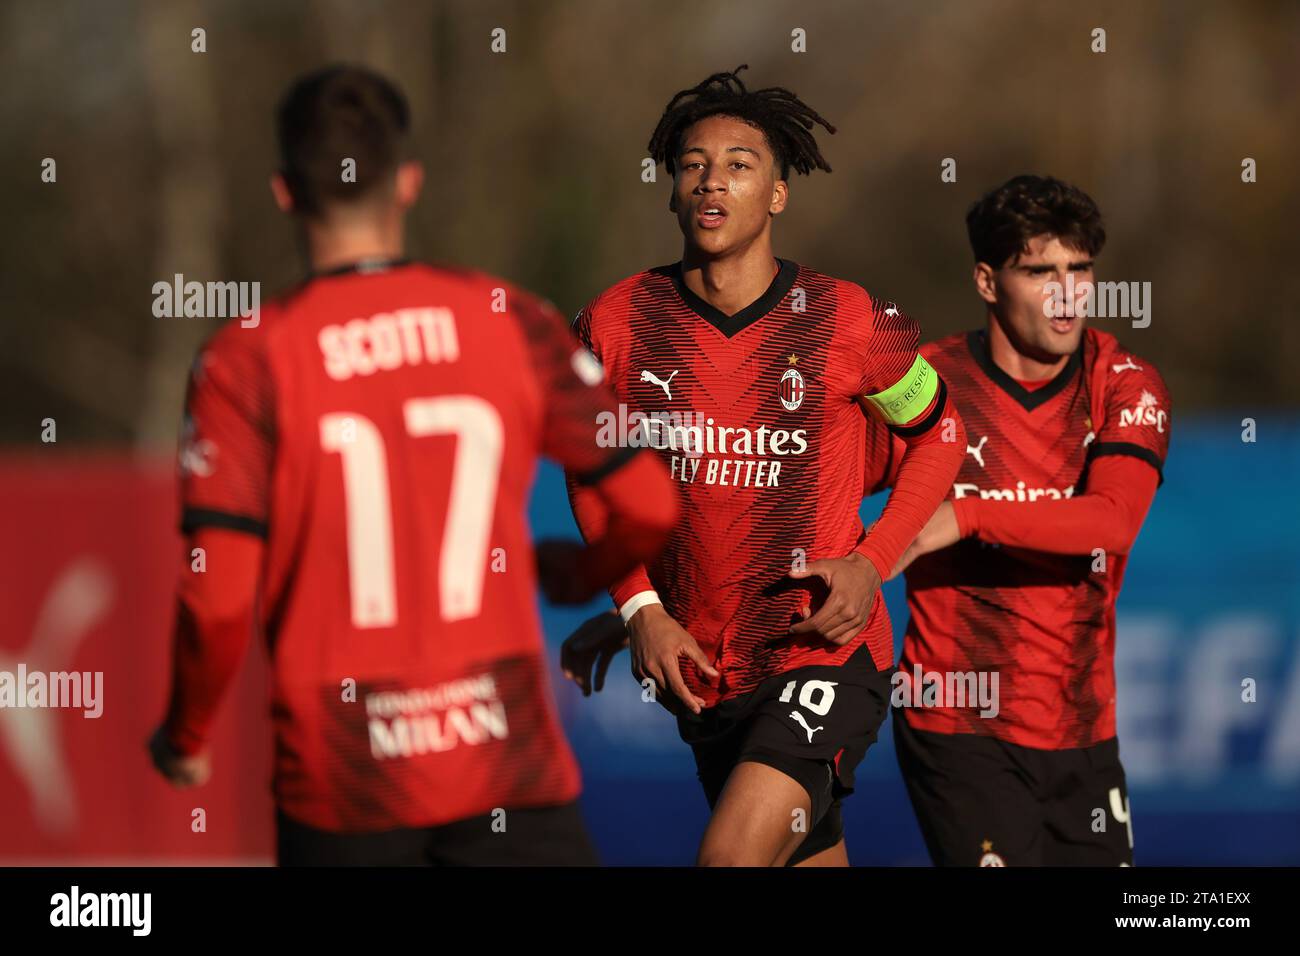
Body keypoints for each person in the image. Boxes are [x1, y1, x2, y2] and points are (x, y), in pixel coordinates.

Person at [147, 65, 677, 866]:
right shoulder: (509, 319)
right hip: (505, 764)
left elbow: (216, 598)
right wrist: (579, 573)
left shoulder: (243, 360)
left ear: (284, 192)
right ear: (408, 183)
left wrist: (186, 733)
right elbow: (651, 504)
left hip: (344, 781)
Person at [563, 66, 964, 866]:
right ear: (673, 191)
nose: (712, 181)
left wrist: (871, 563)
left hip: (824, 653)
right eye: (693, 165)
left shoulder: (854, 319)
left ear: (778, 194)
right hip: (705, 671)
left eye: (739, 165)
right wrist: (639, 608)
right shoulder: (613, 323)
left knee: (730, 859)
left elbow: (942, 433)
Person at [885, 174, 1171, 866]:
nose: (1067, 293)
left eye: (1080, 269)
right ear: (988, 282)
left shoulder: (1124, 381)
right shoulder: (925, 384)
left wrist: (967, 515)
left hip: (1083, 733)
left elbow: (1111, 524)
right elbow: (814, 481)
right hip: (957, 723)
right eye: (1041, 272)